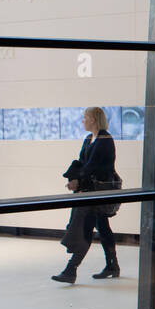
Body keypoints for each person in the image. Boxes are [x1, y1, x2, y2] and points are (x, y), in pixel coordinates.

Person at [53, 107, 120, 283]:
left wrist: (79, 182)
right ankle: (112, 265)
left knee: (86, 227)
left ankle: (71, 269)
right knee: (103, 227)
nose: (83, 120)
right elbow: (82, 163)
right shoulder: (88, 139)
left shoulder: (105, 139)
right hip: (90, 190)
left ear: (93, 119)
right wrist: (74, 178)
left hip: (97, 192)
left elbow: (95, 167)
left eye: (85, 117)